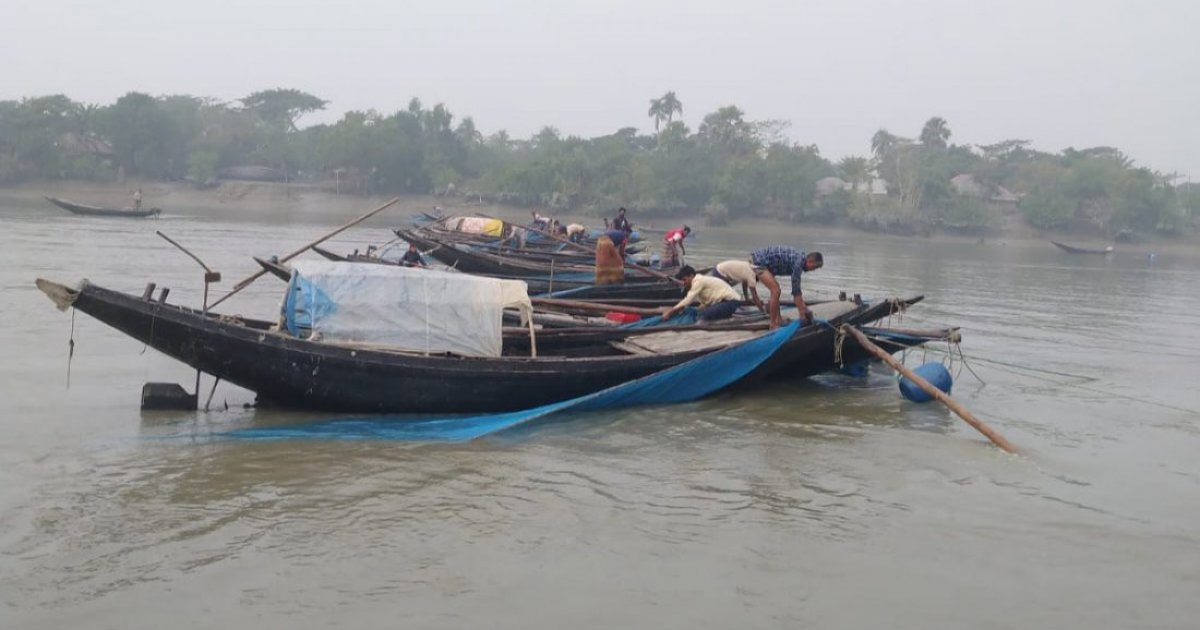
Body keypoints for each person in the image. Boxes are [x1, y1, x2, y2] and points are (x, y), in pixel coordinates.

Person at [748, 246, 823, 329]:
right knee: (775, 290)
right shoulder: (798, 264)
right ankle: (773, 325)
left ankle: (778, 320)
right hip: (758, 261)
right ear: (810, 261)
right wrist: (802, 314)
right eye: (814, 267)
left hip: (766, 263)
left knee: (776, 290)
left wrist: (805, 309)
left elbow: (797, 294)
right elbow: (796, 293)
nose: (813, 270)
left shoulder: (800, 259)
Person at [661, 265, 741, 323]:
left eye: (685, 280)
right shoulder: (698, 283)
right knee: (702, 312)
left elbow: (688, 300)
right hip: (725, 303)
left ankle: (697, 331)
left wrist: (670, 311)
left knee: (705, 315)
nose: (684, 283)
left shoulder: (698, 281)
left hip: (730, 302)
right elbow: (705, 302)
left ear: (691, 276)